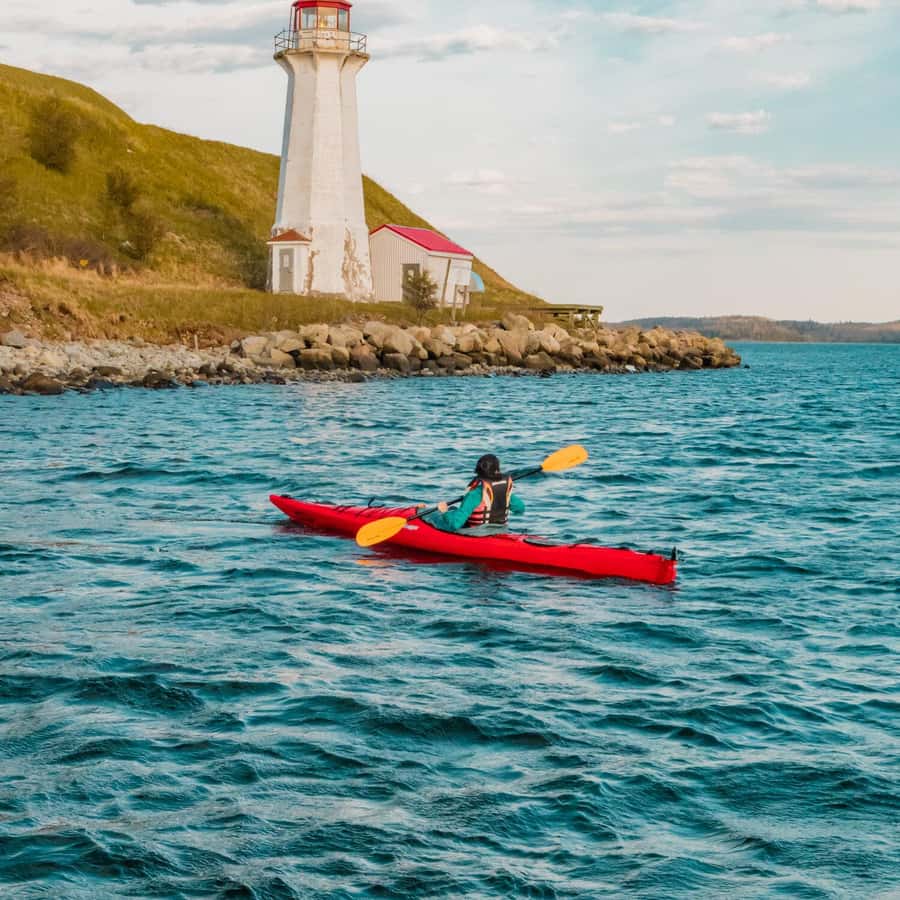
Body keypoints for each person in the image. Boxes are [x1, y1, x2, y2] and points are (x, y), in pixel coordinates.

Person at [426, 454, 526, 533]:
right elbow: (520, 509)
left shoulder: (474, 495)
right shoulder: (505, 492)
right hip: (501, 530)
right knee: (453, 510)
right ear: (497, 470)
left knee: (437, 515)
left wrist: (444, 512)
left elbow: (455, 524)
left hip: (477, 533)